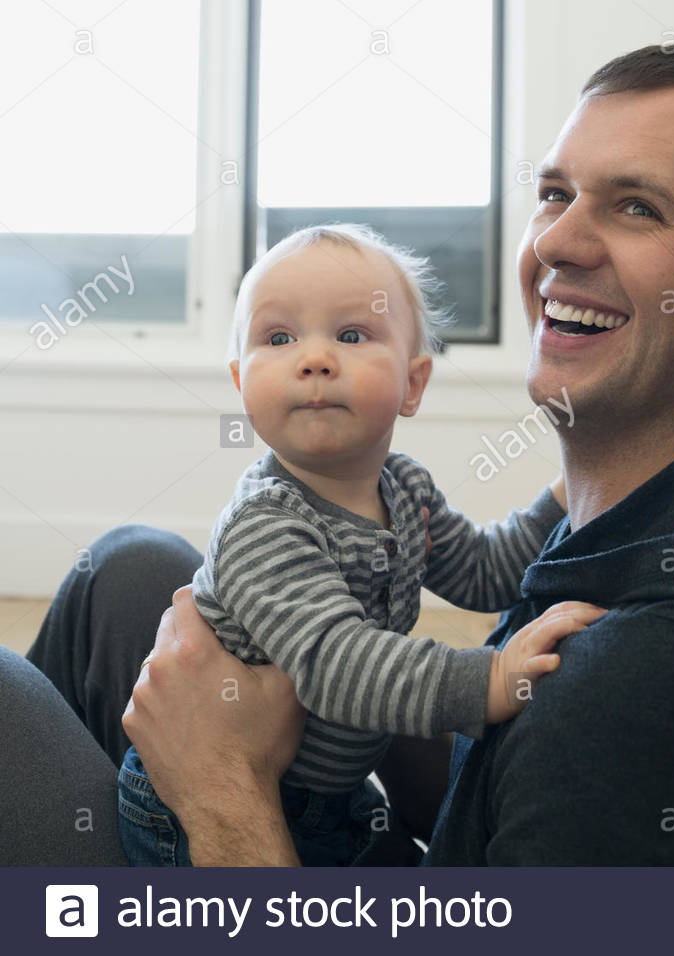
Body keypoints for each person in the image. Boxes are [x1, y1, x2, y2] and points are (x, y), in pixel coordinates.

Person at [0, 43, 674, 866]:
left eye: (637, 207)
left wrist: (222, 792)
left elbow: (476, 588)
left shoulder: (650, 702)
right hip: (348, 799)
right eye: (555, 194)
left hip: (258, 841)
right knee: (133, 564)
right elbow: (481, 665)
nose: (555, 242)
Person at [113, 222, 605, 867]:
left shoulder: (404, 487)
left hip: (335, 793)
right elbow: (340, 667)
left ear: (412, 384)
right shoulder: (265, 524)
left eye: (352, 335)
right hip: (185, 810)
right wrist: (489, 678)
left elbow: (486, 572)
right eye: (278, 337)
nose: (313, 359)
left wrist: (570, 492)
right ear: (241, 384)